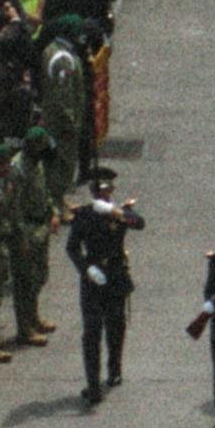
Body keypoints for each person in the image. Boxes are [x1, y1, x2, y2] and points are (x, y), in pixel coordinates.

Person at [67, 167, 143, 402]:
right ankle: (93, 386)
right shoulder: (84, 215)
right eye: (102, 190)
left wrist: (114, 211)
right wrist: (85, 268)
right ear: (93, 192)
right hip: (93, 276)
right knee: (91, 332)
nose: (106, 193)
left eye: (109, 190)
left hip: (116, 274)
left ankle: (114, 370)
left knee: (116, 325)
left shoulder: (118, 211)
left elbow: (139, 223)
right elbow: (72, 247)